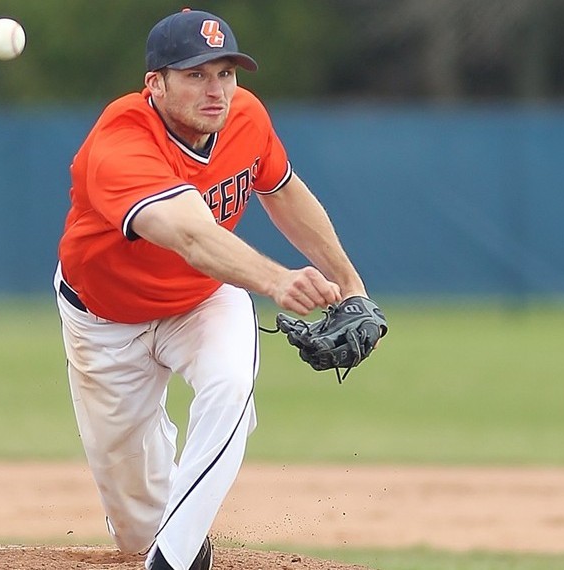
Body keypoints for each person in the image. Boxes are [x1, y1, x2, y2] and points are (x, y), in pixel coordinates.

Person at [53, 8, 381, 570]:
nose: (217, 90)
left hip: (204, 301)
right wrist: (278, 280)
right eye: (197, 75)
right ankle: (161, 534)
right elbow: (189, 233)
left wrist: (353, 286)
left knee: (230, 386)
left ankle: (176, 560)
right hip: (105, 322)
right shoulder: (121, 142)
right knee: (136, 524)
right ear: (155, 84)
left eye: (226, 73)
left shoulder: (245, 117)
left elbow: (283, 191)